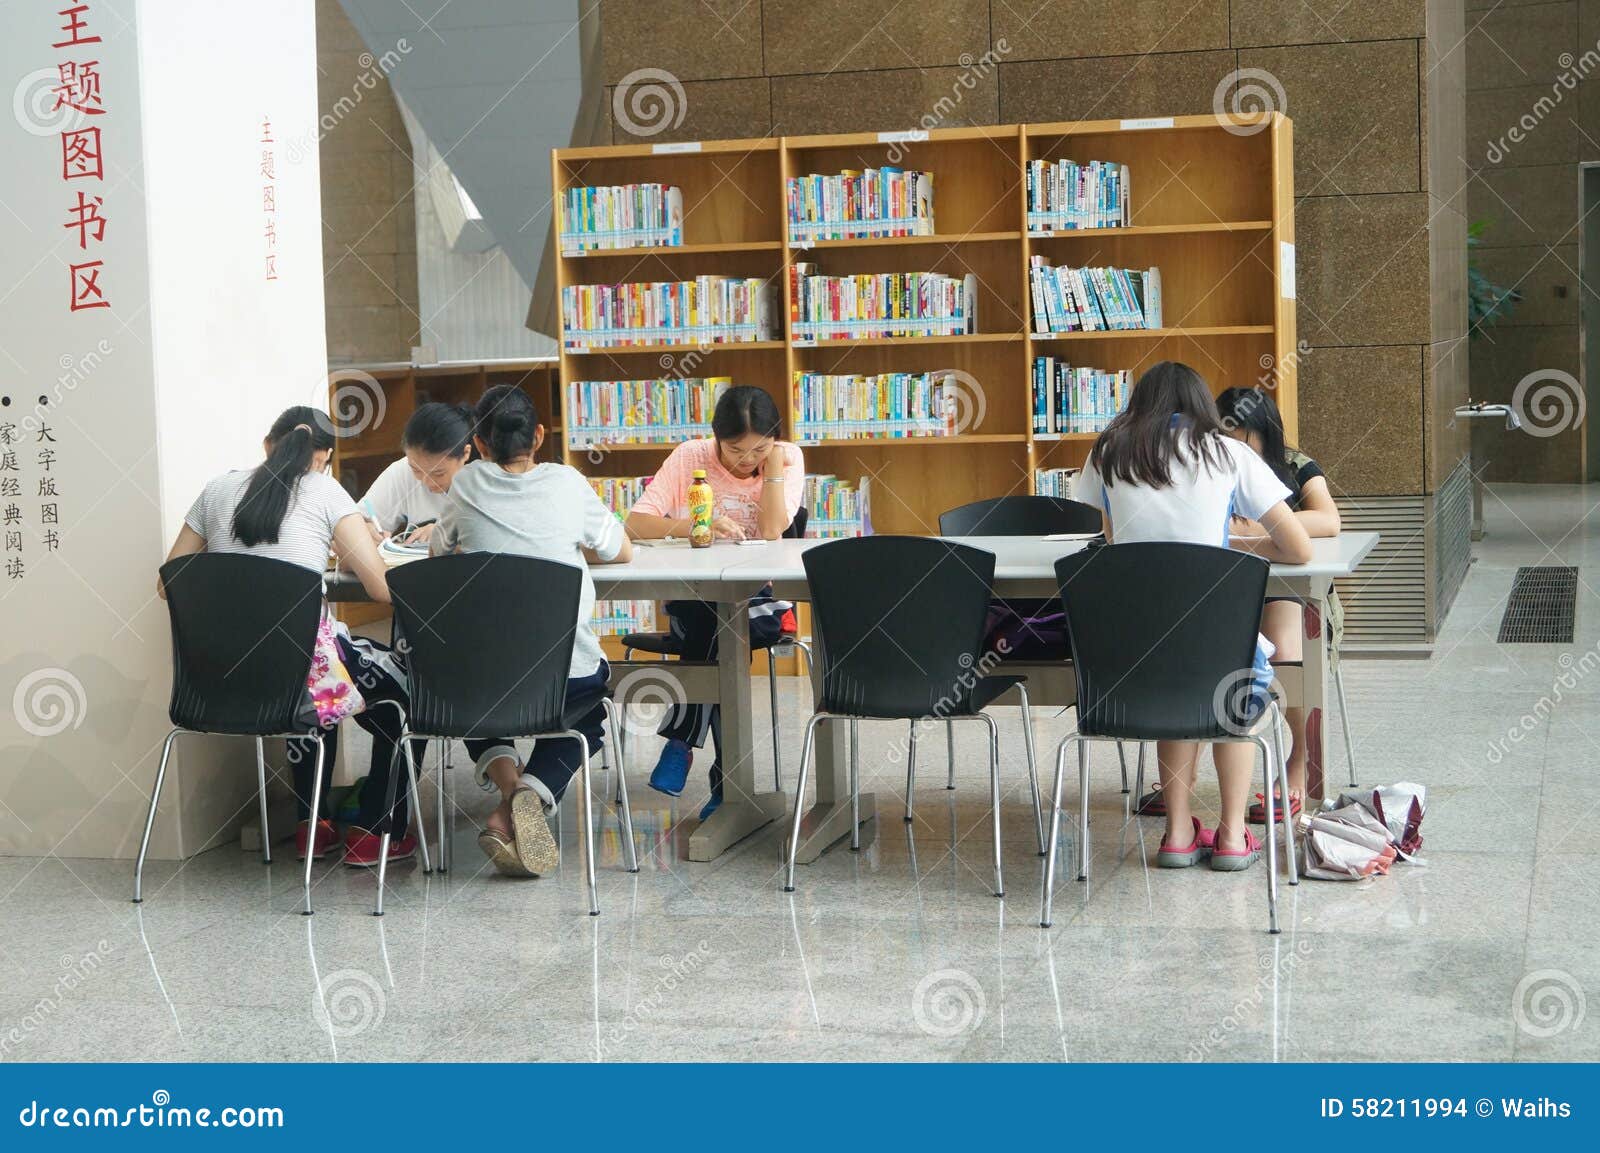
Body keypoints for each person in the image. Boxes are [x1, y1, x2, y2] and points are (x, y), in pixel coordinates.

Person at [160, 406, 425, 867]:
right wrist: (357, 534)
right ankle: (374, 832)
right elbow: (381, 589)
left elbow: (169, 583)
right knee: (409, 694)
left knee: (316, 686)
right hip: (303, 678)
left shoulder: (217, 489)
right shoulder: (325, 490)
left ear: (268, 445)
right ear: (322, 457)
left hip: (220, 677)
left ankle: (313, 825)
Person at [1072, 363, 1312, 872]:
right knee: (1230, 693)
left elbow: (1110, 539)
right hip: (1215, 633)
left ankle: (1178, 834)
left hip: (1135, 641)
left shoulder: (1110, 449)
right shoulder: (1230, 452)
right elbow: (1299, 548)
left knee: (1172, 686)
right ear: (1203, 405)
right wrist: (1238, 548)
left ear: (1138, 403)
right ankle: (1231, 835)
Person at [431, 384, 632, 877]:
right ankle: (525, 799)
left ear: (477, 445)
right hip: (566, 672)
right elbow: (621, 551)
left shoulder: (465, 485)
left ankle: (508, 796)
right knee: (586, 717)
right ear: (540, 435)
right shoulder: (567, 482)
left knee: (473, 709)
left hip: (486, 675)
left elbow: (438, 554)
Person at [624, 385, 804, 818]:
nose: (746, 460)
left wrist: (774, 466)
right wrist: (693, 526)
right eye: (734, 449)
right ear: (714, 437)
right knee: (715, 628)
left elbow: (772, 529)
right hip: (694, 599)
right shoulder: (690, 457)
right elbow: (634, 524)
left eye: (759, 448)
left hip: (762, 601)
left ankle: (681, 740)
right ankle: (726, 785)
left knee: (724, 629)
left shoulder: (787, 458)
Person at [1215, 386, 1341, 823]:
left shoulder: (1294, 465)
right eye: (1222, 434)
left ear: (1264, 433)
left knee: (1284, 650)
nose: (1231, 445)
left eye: (1241, 435)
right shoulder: (1211, 466)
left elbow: (1328, 519)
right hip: (1226, 587)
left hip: (1290, 587)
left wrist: (1266, 528)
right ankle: (1186, 768)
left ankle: (1301, 758)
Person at [358, 402, 474, 546]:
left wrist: (448, 531)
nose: (427, 482)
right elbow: (354, 523)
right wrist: (363, 530)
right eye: (417, 470)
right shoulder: (402, 471)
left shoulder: (487, 477)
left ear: (465, 454)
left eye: (438, 473)